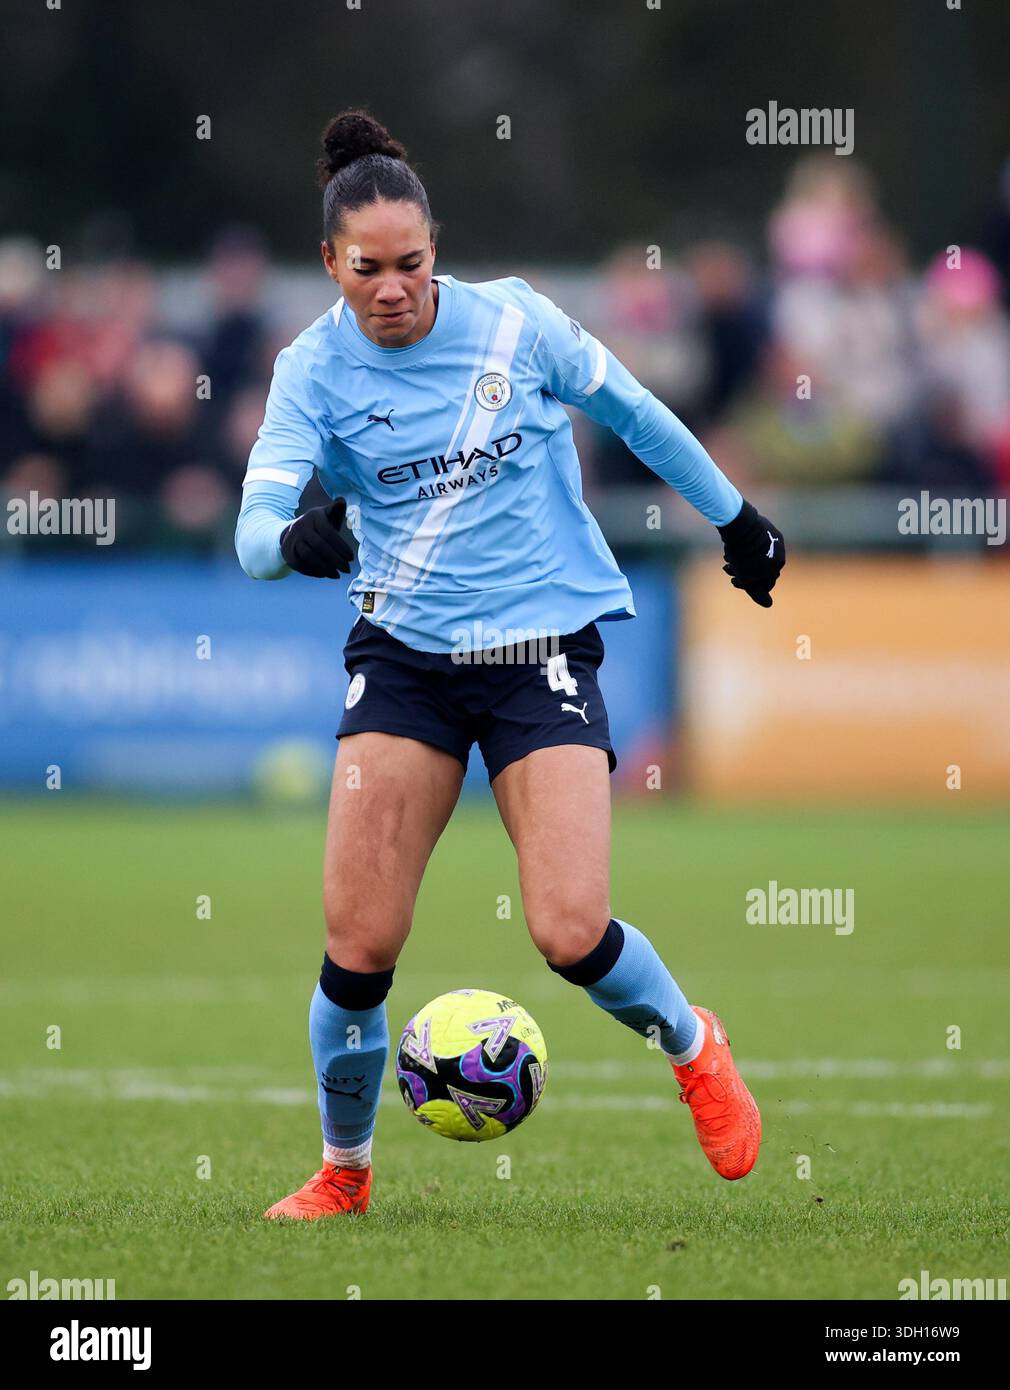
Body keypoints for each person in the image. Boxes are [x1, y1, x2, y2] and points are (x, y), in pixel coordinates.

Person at [234, 109, 786, 1220]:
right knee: (358, 943)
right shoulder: (310, 372)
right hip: (403, 659)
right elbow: (253, 530)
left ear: (434, 252)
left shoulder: (515, 326)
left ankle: (692, 1043)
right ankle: (345, 1172)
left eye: (410, 265)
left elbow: (631, 409)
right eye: (365, 269)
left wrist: (733, 519)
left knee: (568, 929)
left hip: (536, 651)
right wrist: (291, 544)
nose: (390, 289)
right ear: (329, 263)